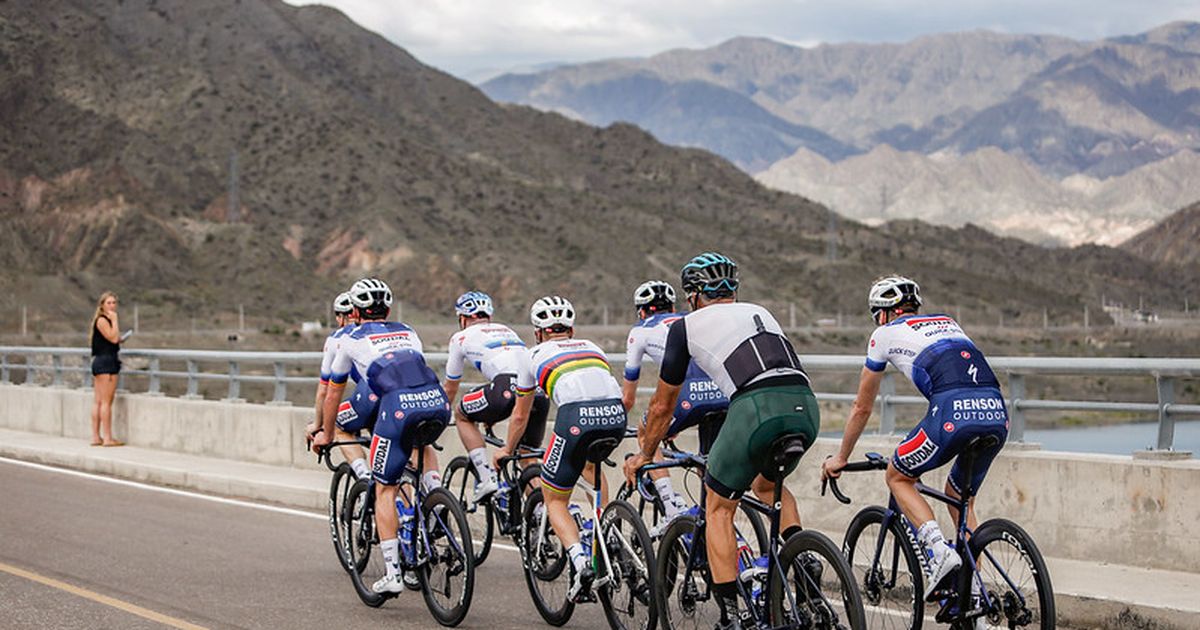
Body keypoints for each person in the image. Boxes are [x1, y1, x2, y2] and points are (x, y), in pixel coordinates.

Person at [624, 252, 820, 629]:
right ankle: (803, 561)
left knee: (717, 508)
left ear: (694, 295)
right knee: (767, 485)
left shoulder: (685, 326)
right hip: (805, 406)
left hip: (755, 408)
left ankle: (731, 615)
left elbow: (663, 406)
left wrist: (644, 455)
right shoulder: (761, 311)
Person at [821, 276, 1008, 604]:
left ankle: (938, 553)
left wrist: (840, 457)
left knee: (898, 474)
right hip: (996, 411)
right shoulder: (947, 321)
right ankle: (974, 592)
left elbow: (862, 407)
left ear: (883, 313)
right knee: (959, 498)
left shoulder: (883, 334)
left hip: (953, 412)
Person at [315, 278, 448, 595]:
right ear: (388, 308)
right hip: (437, 402)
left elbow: (332, 394)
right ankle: (435, 495)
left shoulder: (349, 338)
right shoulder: (409, 330)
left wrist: (326, 432)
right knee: (420, 445)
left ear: (354, 311)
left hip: (394, 406)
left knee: (385, 489)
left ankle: (392, 573)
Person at [492, 296, 627, 602]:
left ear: (538, 332)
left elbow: (520, 415)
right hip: (616, 415)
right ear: (571, 329)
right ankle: (601, 530)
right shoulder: (593, 347)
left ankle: (581, 566)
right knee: (592, 467)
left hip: (576, 418)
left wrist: (506, 449)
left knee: (555, 499)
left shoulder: (530, 355)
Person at [621, 280, 729, 532]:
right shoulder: (692, 320)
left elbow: (628, 398)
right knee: (708, 464)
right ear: (672, 306)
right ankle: (709, 522)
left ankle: (671, 506)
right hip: (722, 394)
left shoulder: (640, 330)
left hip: (686, 396)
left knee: (646, 432)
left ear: (642, 311)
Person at [442, 291, 550, 499]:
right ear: (488, 316)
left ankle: (486, 477)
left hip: (505, 388)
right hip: (537, 391)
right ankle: (538, 508)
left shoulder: (460, 337)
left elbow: (451, 387)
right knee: (526, 454)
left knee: (462, 414)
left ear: (463, 318)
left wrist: (442, 412)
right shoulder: (506, 330)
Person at [307, 292, 371, 480]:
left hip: (370, 397)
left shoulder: (337, 339)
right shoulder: (380, 331)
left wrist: (317, 425)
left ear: (341, 317)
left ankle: (363, 477)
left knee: (335, 424)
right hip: (401, 395)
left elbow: (325, 391)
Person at [89, 291, 124, 447]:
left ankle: (96, 437)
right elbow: (113, 337)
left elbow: (112, 339)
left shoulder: (101, 321)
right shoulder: (103, 320)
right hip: (107, 363)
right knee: (105, 402)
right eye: (108, 303)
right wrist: (115, 321)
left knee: (98, 401)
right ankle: (108, 438)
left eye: (114, 303)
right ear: (102, 305)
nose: (112, 306)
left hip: (100, 362)